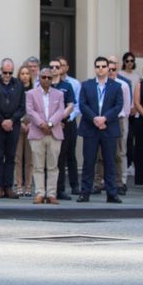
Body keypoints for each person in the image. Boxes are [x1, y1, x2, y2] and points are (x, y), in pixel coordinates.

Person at [76, 57, 123, 203]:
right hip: (91, 127)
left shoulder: (116, 86)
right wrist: (95, 118)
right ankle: (85, 192)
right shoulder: (87, 85)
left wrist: (105, 118)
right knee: (89, 162)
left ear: (109, 68)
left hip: (108, 128)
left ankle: (112, 193)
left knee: (110, 162)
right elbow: (82, 105)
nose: (101, 69)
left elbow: (118, 105)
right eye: (98, 66)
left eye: (104, 66)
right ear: (95, 68)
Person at [25, 67, 69, 204]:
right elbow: (30, 111)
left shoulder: (59, 94)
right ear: (39, 78)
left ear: (52, 79)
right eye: (43, 77)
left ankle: (51, 194)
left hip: (53, 133)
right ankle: (39, 193)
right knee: (37, 166)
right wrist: (41, 124)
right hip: (37, 132)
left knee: (53, 166)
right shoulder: (31, 93)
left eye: (49, 77)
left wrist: (50, 124)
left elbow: (61, 110)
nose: (46, 80)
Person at [0, 58, 25, 199]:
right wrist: (2, 120)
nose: (8, 75)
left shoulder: (19, 85)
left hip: (13, 125)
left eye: (10, 72)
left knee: (10, 156)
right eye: (5, 72)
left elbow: (22, 107)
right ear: (0, 70)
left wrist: (12, 120)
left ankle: (8, 186)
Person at [96, 57, 131, 195]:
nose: (110, 71)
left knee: (118, 153)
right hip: (100, 121)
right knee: (99, 154)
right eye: (107, 69)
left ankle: (118, 182)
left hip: (117, 121)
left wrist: (119, 117)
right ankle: (98, 182)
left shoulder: (122, 85)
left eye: (113, 69)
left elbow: (126, 107)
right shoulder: (98, 84)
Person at [56, 56, 82, 198]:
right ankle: (58, 187)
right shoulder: (49, 82)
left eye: (62, 65)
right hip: (54, 124)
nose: (59, 68)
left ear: (66, 68)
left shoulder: (73, 83)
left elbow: (77, 104)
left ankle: (74, 185)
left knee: (70, 155)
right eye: (56, 65)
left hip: (69, 123)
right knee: (57, 157)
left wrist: (68, 118)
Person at [13, 64, 34, 196]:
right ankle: (18, 184)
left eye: (27, 73)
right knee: (18, 157)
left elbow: (37, 109)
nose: (25, 76)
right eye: (22, 73)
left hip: (32, 125)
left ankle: (28, 186)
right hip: (17, 124)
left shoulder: (35, 90)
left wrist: (31, 123)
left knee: (30, 158)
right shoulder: (15, 89)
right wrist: (20, 122)